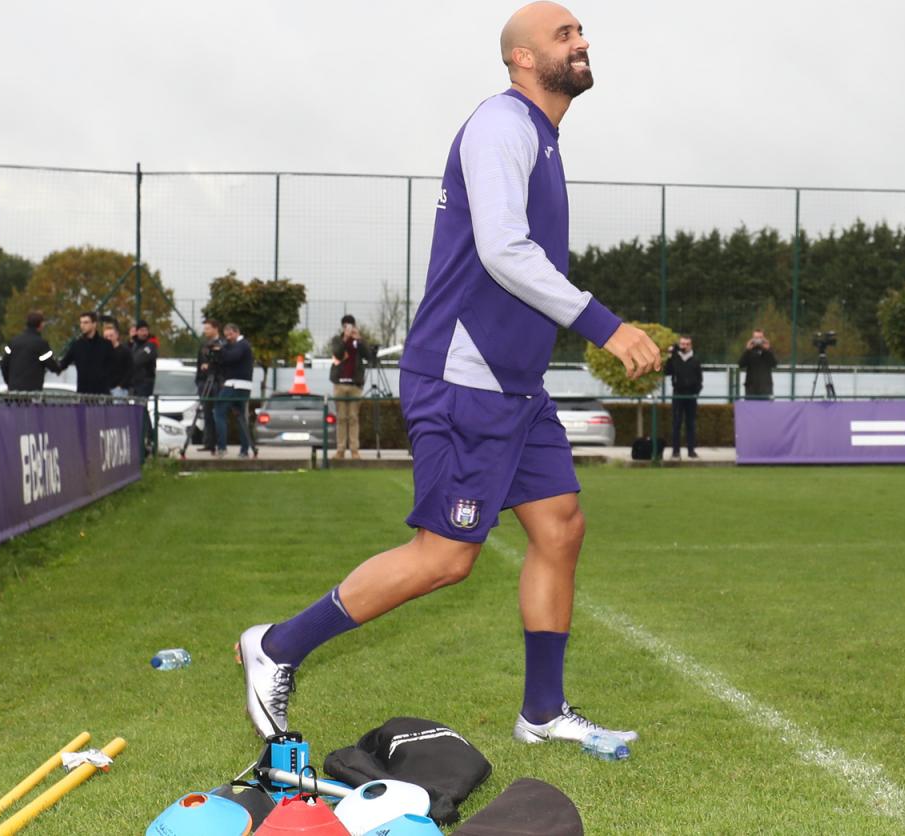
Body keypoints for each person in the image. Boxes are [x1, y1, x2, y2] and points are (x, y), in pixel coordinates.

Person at [237, 2, 660, 749]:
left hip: (515, 387)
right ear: (524, 59)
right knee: (444, 558)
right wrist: (606, 323)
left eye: (581, 30)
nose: (583, 41)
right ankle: (275, 646)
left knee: (559, 527)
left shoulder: (541, 137)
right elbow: (504, 250)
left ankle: (542, 711)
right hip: (465, 377)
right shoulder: (504, 125)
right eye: (565, 34)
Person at [328, 314, 376, 459]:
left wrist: (359, 340)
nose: (348, 328)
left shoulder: (358, 341)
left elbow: (369, 356)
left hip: (355, 385)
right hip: (340, 384)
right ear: (342, 327)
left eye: (350, 326)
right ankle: (340, 449)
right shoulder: (338, 340)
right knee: (341, 418)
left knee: (353, 417)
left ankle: (354, 450)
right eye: (346, 326)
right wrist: (345, 339)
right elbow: (337, 353)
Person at [211, 323, 256, 458]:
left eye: (230, 335)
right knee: (240, 417)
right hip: (242, 386)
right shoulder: (236, 346)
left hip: (234, 385)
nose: (228, 338)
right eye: (226, 336)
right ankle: (244, 450)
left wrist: (220, 350)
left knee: (219, 411)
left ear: (237, 332)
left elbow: (232, 357)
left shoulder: (242, 345)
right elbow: (226, 360)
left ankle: (222, 447)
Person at [55, 311, 115, 395]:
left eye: (86, 322)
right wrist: (46, 362)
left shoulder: (106, 345)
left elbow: (114, 367)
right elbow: (63, 364)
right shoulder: (77, 345)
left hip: (102, 395)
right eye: (81, 322)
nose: (82, 325)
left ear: (94, 324)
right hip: (83, 394)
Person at [663, 334, 703, 459]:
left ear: (690, 345)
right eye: (682, 344)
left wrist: (696, 392)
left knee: (690, 423)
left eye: (686, 344)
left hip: (691, 395)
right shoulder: (675, 358)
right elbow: (667, 372)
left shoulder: (695, 360)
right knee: (676, 423)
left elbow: (699, 378)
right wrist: (670, 356)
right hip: (678, 394)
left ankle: (691, 450)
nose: (684, 346)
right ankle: (676, 451)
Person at [0, 310, 58, 393]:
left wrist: (10, 383)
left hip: (14, 393)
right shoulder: (41, 344)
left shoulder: (14, 342)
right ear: (40, 325)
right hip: (33, 392)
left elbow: (4, 364)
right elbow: (50, 363)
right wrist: (58, 369)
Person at [196, 319, 225, 453]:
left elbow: (224, 362)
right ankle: (209, 442)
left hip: (218, 382)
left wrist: (212, 366)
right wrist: (199, 381)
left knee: (218, 413)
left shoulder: (223, 344)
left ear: (215, 329)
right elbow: (199, 364)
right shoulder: (204, 345)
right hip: (205, 382)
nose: (205, 331)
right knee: (207, 413)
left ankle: (221, 444)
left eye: (208, 328)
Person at [738, 329, 778, 399]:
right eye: (756, 338)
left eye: (760, 338)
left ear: (764, 338)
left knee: (766, 409)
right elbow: (741, 364)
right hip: (751, 388)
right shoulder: (749, 351)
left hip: (765, 388)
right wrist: (747, 350)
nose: (758, 340)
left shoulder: (768, 350)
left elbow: (774, 364)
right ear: (752, 339)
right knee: (750, 408)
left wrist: (767, 350)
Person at [102, 318, 134, 397]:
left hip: (119, 390)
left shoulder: (125, 351)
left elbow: (130, 370)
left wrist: (120, 386)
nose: (109, 338)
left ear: (117, 335)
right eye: (106, 337)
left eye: (111, 336)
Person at [129, 319, 159, 398]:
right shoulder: (134, 345)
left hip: (145, 383)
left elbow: (138, 360)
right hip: (134, 383)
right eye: (142, 330)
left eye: (146, 330)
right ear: (137, 331)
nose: (144, 333)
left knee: (142, 407)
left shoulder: (151, 345)